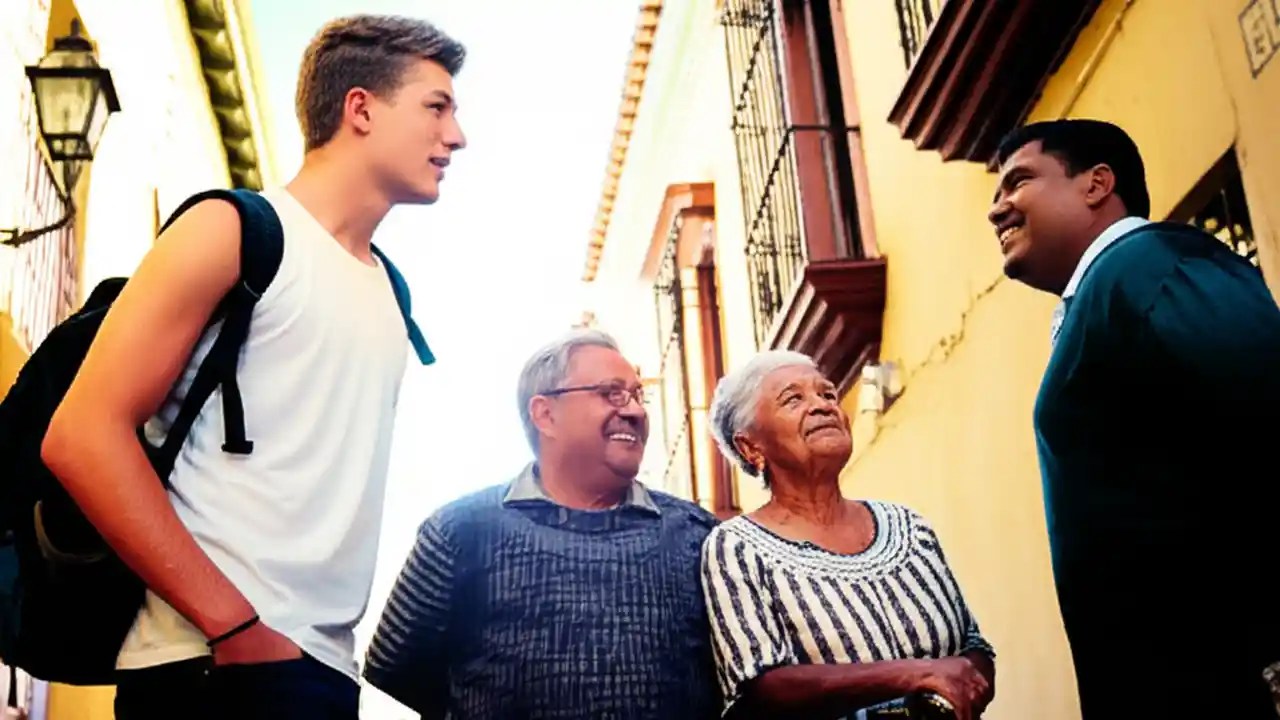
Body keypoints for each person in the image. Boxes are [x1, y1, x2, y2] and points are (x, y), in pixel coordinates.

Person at [39, 14, 466, 719]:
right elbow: (81, 434)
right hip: (209, 664)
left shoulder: (391, 291)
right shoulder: (232, 231)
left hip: (322, 669)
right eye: (437, 106)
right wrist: (234, 626)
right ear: (360, 108)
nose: (456, 135)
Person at [989, 118, 1280, 718]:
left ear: (1096, 184)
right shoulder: (1112, 290)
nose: (998, 210)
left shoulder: (1153, 266)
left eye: (1018, 182)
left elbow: (1265, 417)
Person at [364, 329, 721, 719]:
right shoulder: (461, 530)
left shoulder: (696, 534)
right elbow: (392, 664)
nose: (635, 411)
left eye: (637, 395)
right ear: (545, 414)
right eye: (611, 393)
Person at [700, 350, 996, 720]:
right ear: (750, 446)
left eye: (827, 395)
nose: (822, 406)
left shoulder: (909, 526)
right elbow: (760, 690)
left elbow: (974, 649)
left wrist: (957, 688)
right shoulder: (737, 547)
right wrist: (915, 674)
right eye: (793, 399)